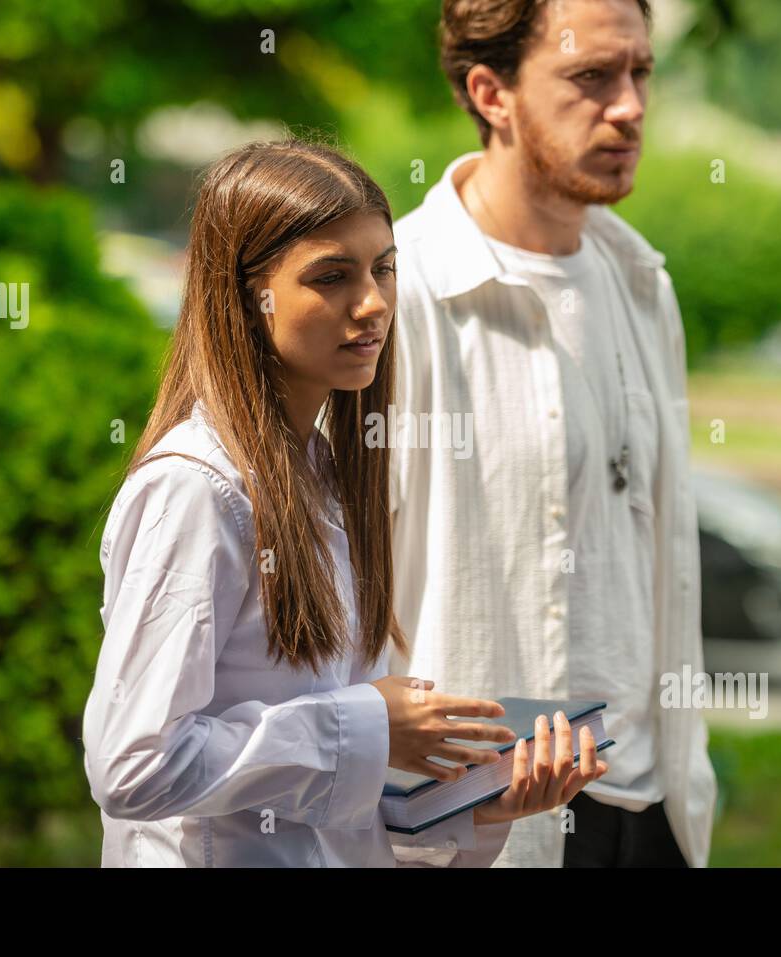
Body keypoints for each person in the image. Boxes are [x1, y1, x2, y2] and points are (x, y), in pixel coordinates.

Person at [81, 138, 607, 867]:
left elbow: (324, 806)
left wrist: (479, 802)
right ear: (244, 296)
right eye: (331, 276)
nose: (373, 304)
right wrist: (366, 724)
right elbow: (134, 765)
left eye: (384, 269)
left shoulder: (324, 474)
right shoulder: (195, 491)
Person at [388, 0, 717, 867]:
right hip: (481, 827)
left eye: (641, 71)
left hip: (650, 807)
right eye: (590, 77)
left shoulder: (643, 281)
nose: (630, 106)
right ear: (491, 92)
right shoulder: (402, 293)